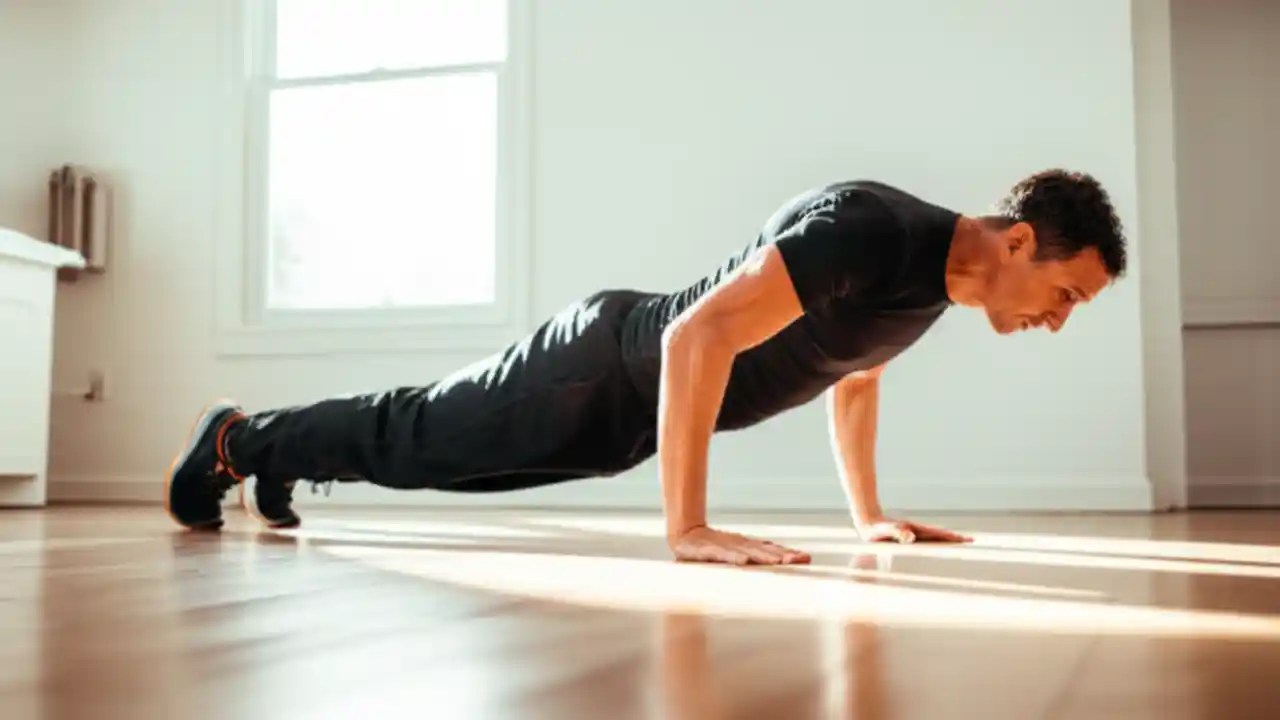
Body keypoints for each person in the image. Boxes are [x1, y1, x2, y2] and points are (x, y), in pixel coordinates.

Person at [164, 169, 1126, 566]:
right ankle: (236, 441)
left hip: (622, 419)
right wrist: (691, 527)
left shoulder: (937, 289)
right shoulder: (873, 230)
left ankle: (274, 452)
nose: (1058, 319)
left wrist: (868, 516)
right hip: (603, 368)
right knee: (418, 439)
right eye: (1068, 295)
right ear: (1022, 241)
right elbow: (694, 339)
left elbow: (856, 377)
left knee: (432, 459)